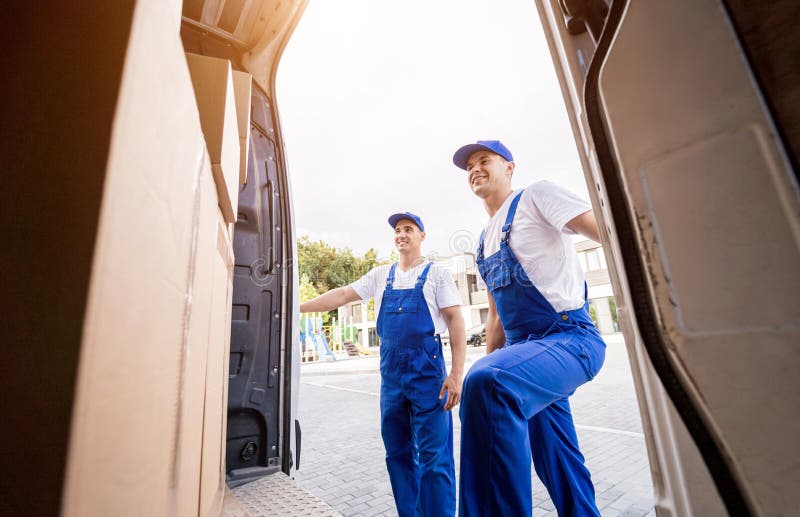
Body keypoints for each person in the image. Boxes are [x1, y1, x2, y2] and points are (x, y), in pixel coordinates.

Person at [452, 140, 606, 516]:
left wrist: (484, 379)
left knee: (491, 382)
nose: (475, 168)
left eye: (484, 160)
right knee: (557, 459)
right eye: (469, 166)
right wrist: (488, 368)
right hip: (525, 356)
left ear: (510, 167)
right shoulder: (484, 242)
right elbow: (496, 318)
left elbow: (607, 231)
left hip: (571, 339)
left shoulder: (538, 196)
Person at [299, 212, 466, 517]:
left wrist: (456, 374)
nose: (402, 234)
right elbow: (341, 295)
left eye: (409, 230)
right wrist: (298, 306)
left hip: (427, 374)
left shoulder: (436, 274)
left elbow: (455, 321)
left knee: (434, 456)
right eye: (398, 230)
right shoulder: (380, 276)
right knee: (398, 453)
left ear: (422, 236)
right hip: (392, 378)